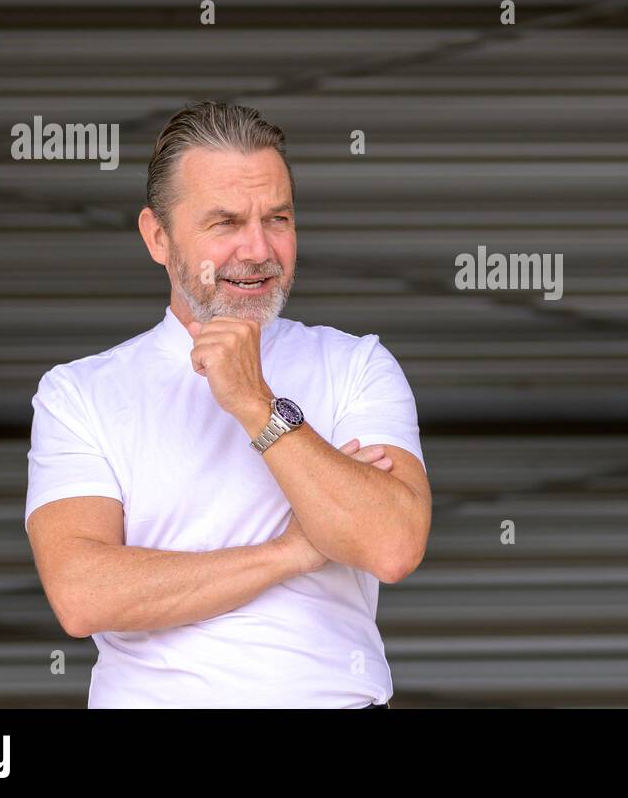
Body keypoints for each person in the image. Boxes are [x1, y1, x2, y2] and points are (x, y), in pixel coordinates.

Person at [24, 99, 430, 708]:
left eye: (278, 219)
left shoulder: (356, 364)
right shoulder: (79, 392)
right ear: (157, 237)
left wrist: (258, 406)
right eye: (225, 223)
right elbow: (83, 595)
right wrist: (289, 552)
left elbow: (393, 546)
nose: (258, 249)